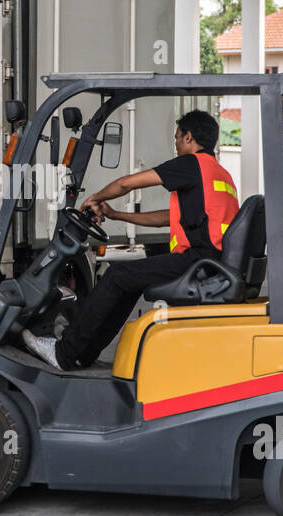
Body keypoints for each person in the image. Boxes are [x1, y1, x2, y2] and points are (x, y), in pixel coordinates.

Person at [22, 109, 239, 371]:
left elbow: (127, 184)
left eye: (177, 138)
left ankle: (64, 353)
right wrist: (116, 214)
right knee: (126, 281)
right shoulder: (219, 174)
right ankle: (82, 355)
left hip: (198, 261)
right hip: (210, 261)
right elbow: (166, 218)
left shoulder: (192, 164)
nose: (176, 144)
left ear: (189, 137)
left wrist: (96, 199)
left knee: (116, 275)